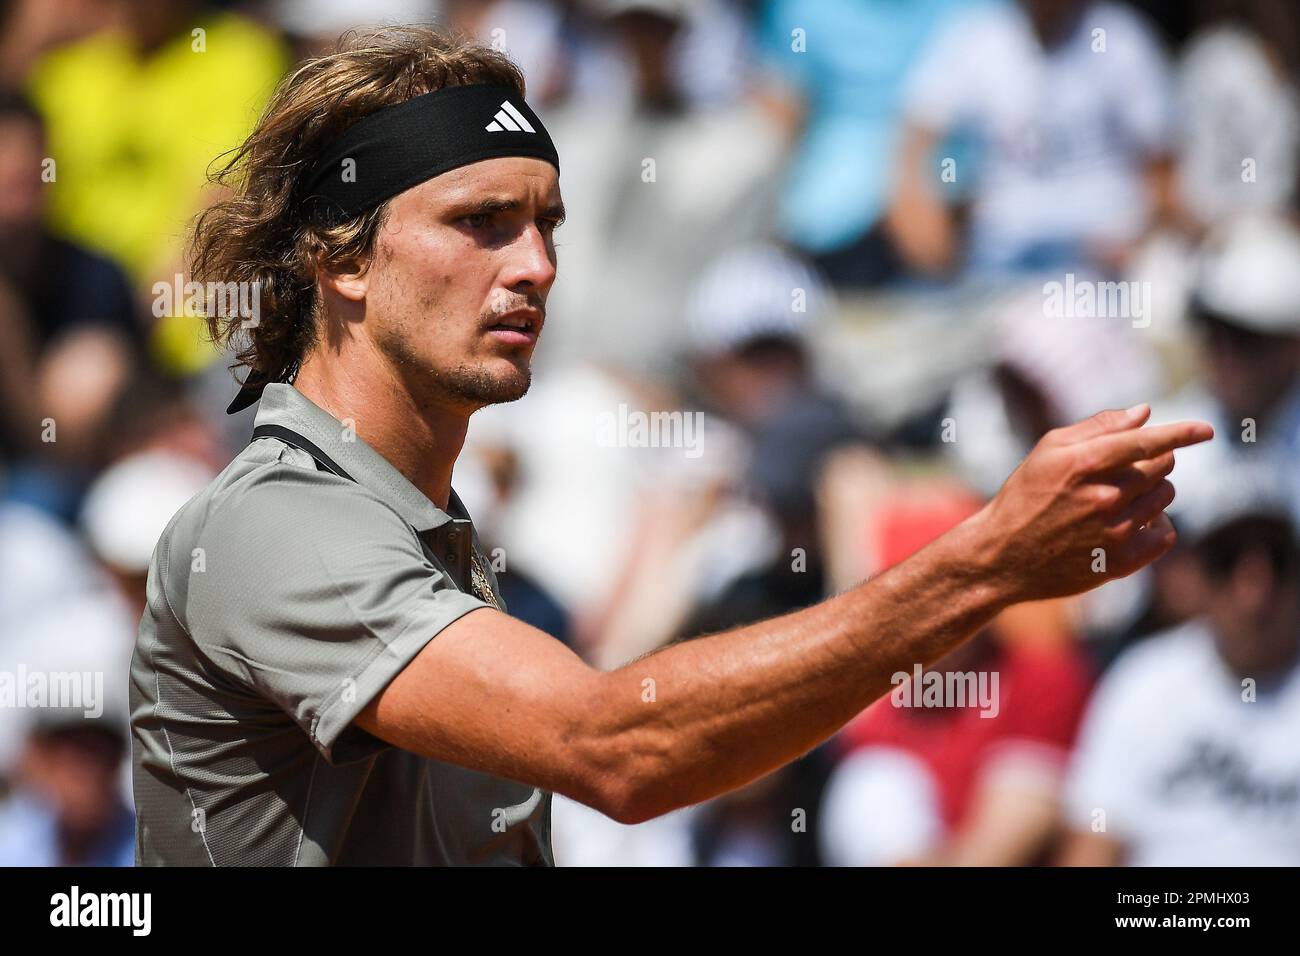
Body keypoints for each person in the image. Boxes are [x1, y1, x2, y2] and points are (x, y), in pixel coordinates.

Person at [130, 25, 1211, 867]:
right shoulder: (279, 524)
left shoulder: (423, 530)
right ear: (344, 261)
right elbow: (617, 746)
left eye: (546, 222)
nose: (538, 263)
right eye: (481, 222)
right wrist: (985, 562)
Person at [1060, 461, 1300, 865]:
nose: (1253, 594)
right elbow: (1093, 846)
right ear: (1192, 575)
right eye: (1228, 561)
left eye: (1276, 561)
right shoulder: (1144, 682)